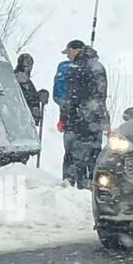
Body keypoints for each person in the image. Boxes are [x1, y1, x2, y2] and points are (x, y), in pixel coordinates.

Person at [58, 39, 109, 189]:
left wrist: (63, 118)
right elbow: (101, 97)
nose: (68, 56)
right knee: (93, 154)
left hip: (77, 120)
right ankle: (92, 185)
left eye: (68, 52)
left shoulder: (76, 68)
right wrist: (104, 120)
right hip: (95, 121)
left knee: (73, 156)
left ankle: (73, 186)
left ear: (76, 50)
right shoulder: (99, 67)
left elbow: (70, 97)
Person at [13, 53, 42, 123]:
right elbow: (25, 97)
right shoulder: (21, 78)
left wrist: (38, 96)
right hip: (20, 120)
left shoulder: (23, 78)